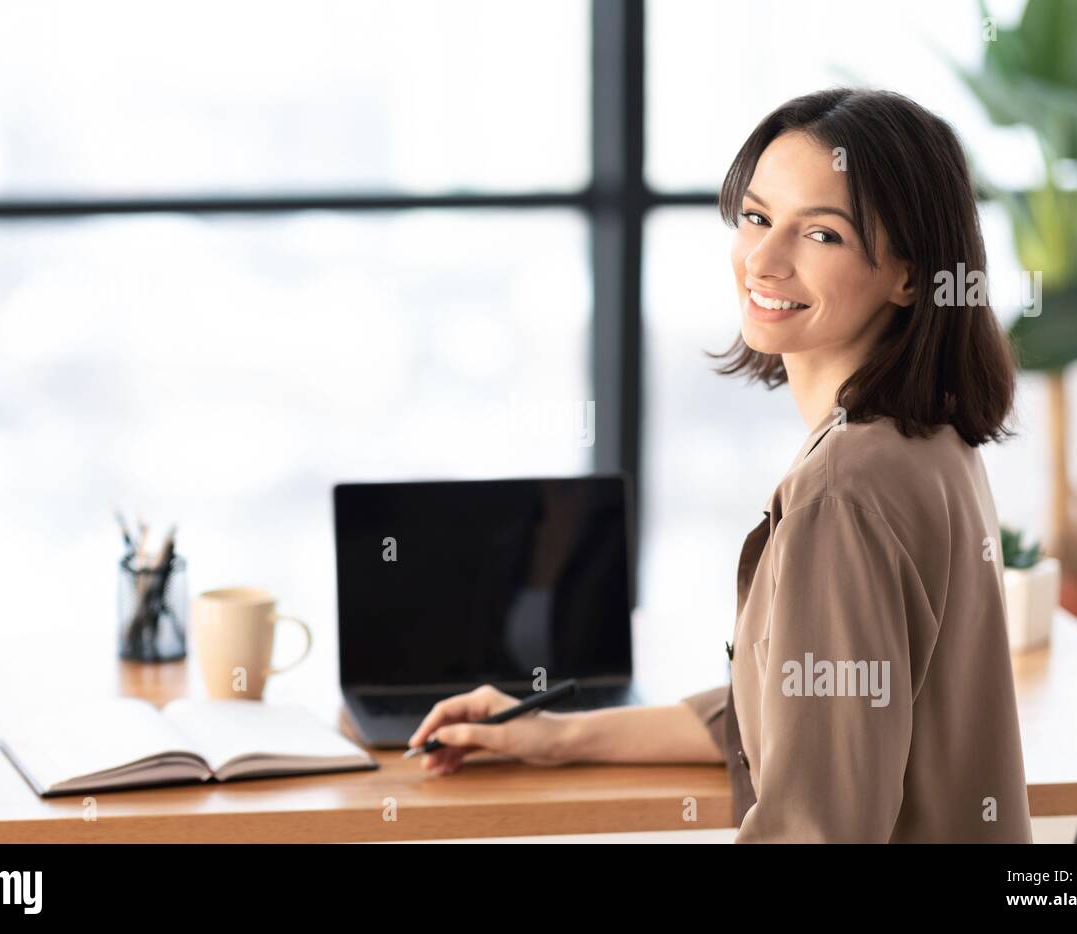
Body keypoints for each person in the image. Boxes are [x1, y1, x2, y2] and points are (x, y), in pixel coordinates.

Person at [406, 87, 1033, 843]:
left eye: (823, 235)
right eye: (758, 219)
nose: (764, 261)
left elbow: (819, 828)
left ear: (909, 273)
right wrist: (555, 736)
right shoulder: (926, 443)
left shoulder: (843, 492)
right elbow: (801, 702)